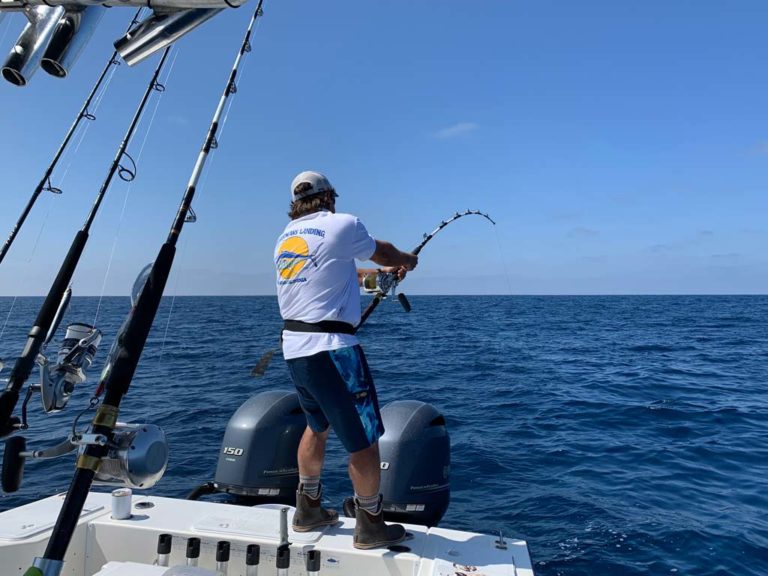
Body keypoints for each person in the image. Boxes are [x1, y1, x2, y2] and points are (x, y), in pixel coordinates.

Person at [274, 170, 418, 549]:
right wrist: (406, 259)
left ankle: (307, 508)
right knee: (364, 441)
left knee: (316, 426)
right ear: (329, 197)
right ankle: (370, 524)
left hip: (296, 348)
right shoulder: (342, 224)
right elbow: (384, 251)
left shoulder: (287, 237)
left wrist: (379, 277)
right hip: (333, 350)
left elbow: (338, 273)